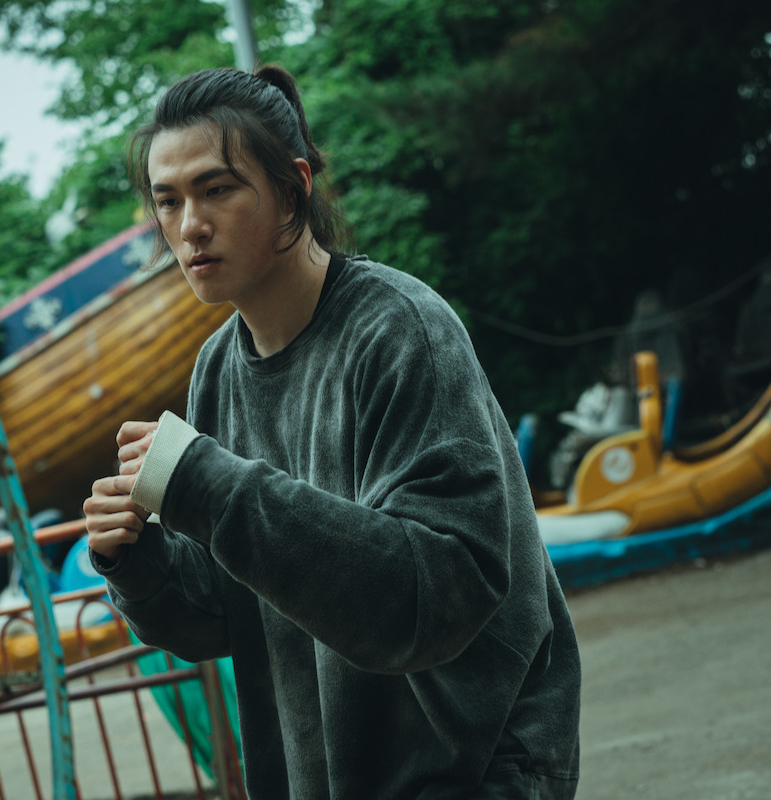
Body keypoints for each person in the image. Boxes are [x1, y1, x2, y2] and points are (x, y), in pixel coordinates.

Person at [84, 67, 582, 798]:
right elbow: (228, 613)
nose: (189, 225)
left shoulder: (400, 329)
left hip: (472, 770)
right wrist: (137, 560)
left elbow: (435, 595)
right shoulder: (217, 370)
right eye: (168, 200)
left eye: (216, 189)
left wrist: (208, 486)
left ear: (293, 188)